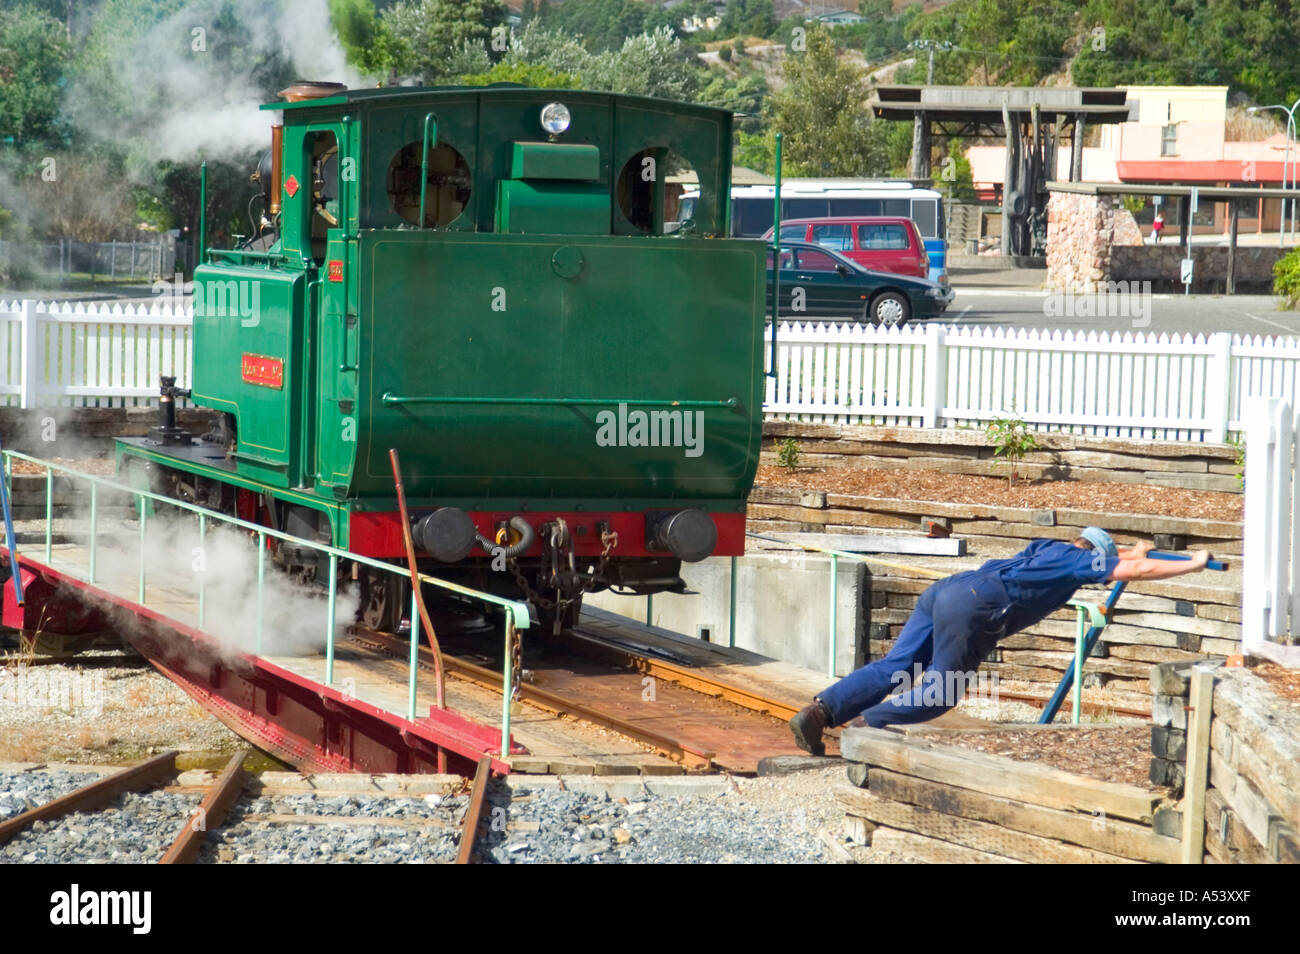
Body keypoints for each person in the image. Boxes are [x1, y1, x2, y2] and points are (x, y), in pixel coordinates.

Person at [788, 528, 1213, 755]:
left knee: (897, 668)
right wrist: (1192, 564)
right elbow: (1130, 571)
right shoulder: (1076, 562)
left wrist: (1137, 551)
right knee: (940, 693)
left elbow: (1127, 562)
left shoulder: (1047, 549)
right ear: (1092, 555)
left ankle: (819, 712)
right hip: (973, 607)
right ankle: (868, 728)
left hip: (946, 590)